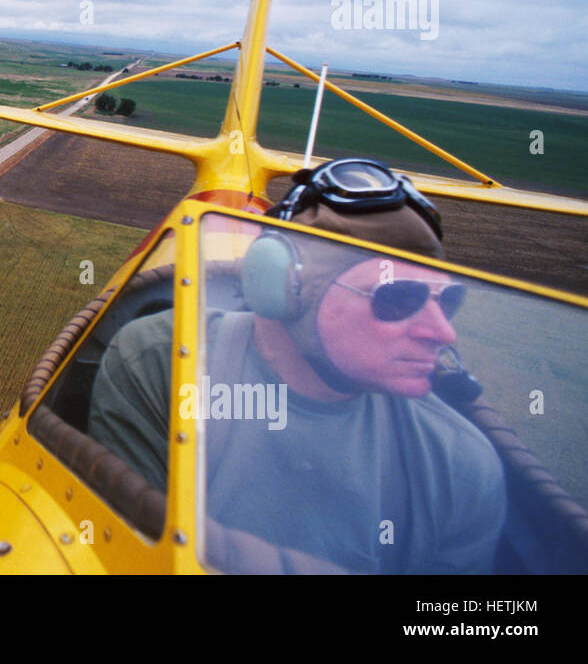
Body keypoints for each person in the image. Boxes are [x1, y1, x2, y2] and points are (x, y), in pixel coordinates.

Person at [87, 159, 507, 574]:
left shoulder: (463, 464)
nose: (443, 332)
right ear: (282, 290)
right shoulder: (163, 361)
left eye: (447, 301)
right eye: (398, 298)